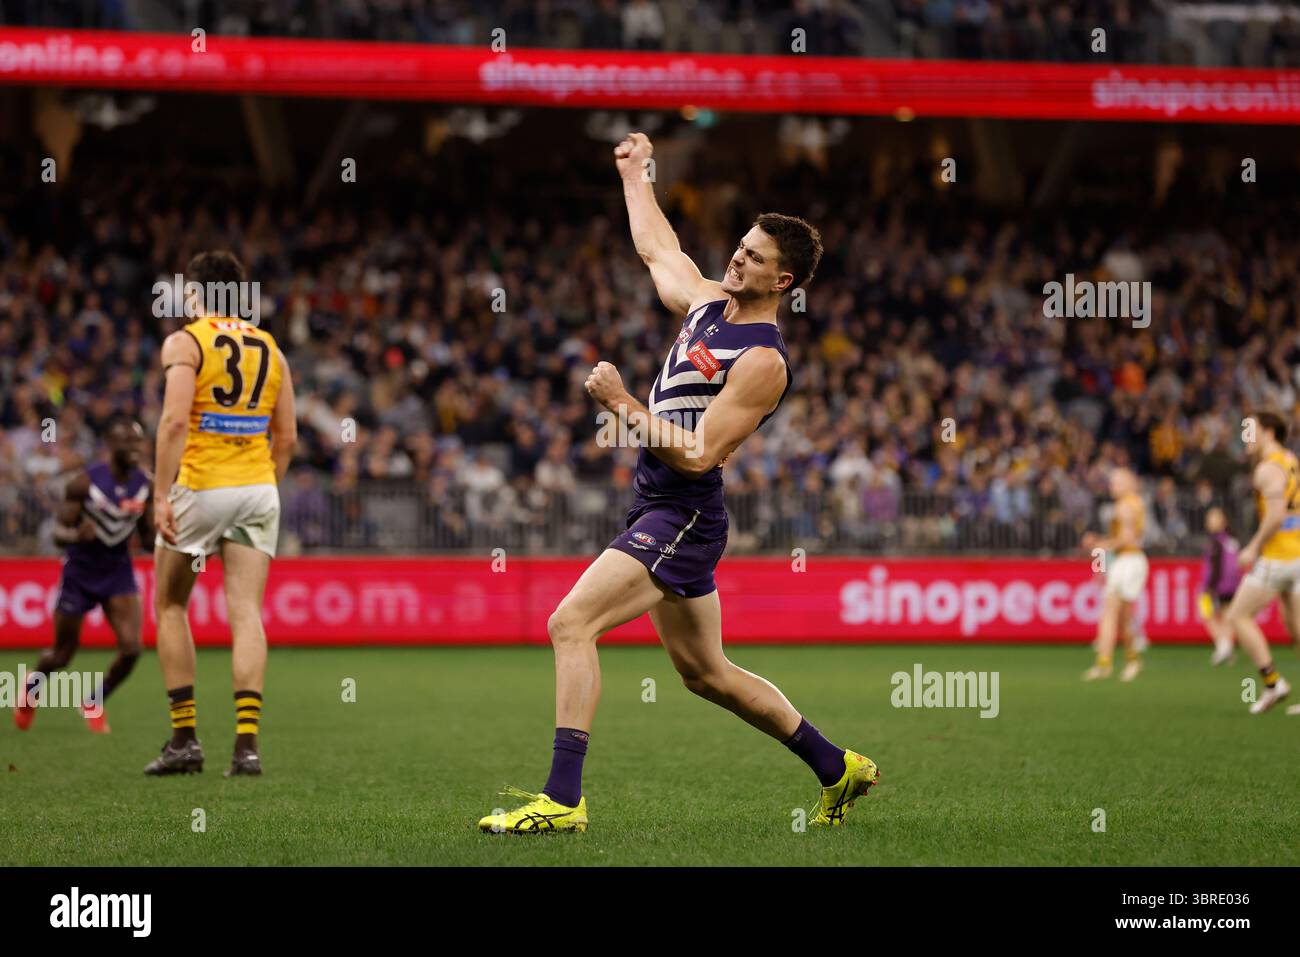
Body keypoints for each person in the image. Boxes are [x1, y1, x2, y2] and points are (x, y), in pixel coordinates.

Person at [478, 132, 878, 834]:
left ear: (783, 282)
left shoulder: (763, 359)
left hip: (683, 511)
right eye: (743, 243)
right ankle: (836, 765)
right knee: (707, 674)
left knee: (569, 623)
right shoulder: (708, 304)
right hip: (657, 503)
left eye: (755, 256)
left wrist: (624, 405)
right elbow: (659, 250)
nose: (738, 255)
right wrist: (637, 175)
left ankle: (563, 800)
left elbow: (698, 455)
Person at [145, 251, 297, 775]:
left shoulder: (186, 341)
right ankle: (246, 747)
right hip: (257, 487)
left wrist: (161, 495)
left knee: (169, 605)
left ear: (195, 293)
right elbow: (289, 437)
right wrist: (262, 485)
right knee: (246, 614)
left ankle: (184, 739)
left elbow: (171, 424)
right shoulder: (270, 348)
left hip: (202, 486)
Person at [14, 416, 152, 734]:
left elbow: (146, 538)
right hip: (80, 571)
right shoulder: (85, 483)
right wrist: (77, 536)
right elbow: (59, 533)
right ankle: (30, 690)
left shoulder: (146, 484)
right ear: (110, 445)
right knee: (62, 655)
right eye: (126, 441)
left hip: (117, 572)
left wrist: (163, 538)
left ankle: (93, 701)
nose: (134, 447)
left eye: (138, 440)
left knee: (132, 649)